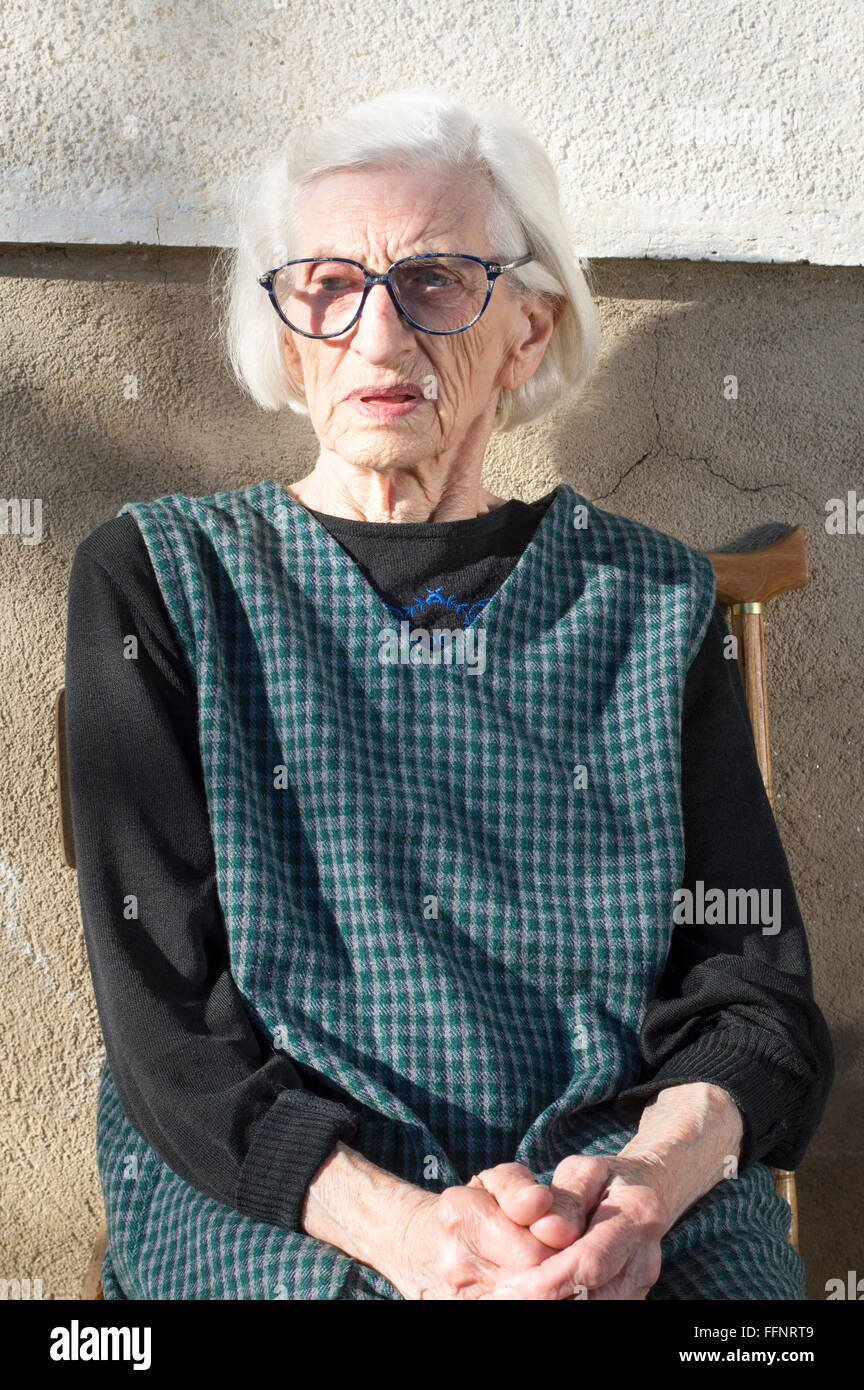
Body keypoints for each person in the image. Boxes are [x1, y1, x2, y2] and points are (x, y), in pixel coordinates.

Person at [65, 86, 833, 1300]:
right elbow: (167, 1028)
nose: (376, 338)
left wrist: (644, 1184)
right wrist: (417, 1240)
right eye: (325, 284)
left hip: (614, 1189)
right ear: (285, 328)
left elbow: (753, 1001)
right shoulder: (163, 580)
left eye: (433, 281)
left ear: (527, 330)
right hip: (290, 1196)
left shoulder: (647, 602)